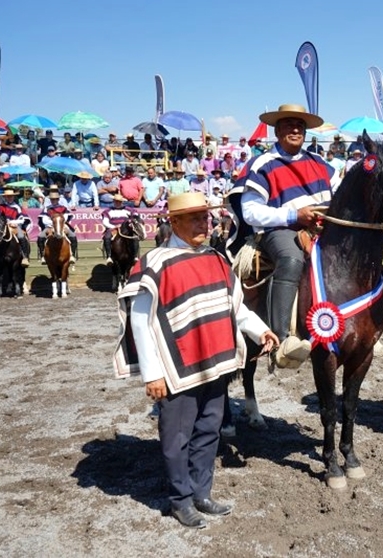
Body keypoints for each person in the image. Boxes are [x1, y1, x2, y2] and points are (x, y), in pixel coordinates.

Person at [113, 191, 278, 529]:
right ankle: (180, 500)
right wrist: (152, 374)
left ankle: (202, 492)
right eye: (195, 218)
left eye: (206, 217)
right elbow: (140, 322)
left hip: (216, 363)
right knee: (177, 436)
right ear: (173, 222)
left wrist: (261, 331)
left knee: (208, 431)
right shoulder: (154, 265)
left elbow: (237, 308)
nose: (205, 223)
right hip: (176, 370)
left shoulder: (217, 259)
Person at [227, 103, 334, 369]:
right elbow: (250, 212)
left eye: (300, 125)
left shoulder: (320, 163)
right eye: (288, 124)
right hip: (280, 231)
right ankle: (282, 340)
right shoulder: (262, 164)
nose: (295, 129)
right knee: (291, 259)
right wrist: (292, 216)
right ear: (276, 131)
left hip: (320, 229)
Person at [0, 188, 31, 267]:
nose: (9, 198)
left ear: (13, 197)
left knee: (21, 236)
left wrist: (14, 222)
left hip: (13, 226)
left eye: (11, 196)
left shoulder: (17, 207)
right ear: (5, 197)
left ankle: (25, 257)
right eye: (7, 196)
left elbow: (24, 219)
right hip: (2, 227)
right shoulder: (1, 207)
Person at [37, 191, 77, 263]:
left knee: (73, 236)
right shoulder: (47, 208)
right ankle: (43, 255)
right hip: (50, 227)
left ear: (58, 199)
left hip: (62, 226)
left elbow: (66, 217)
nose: (54, 200)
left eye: (55, 199)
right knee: (40, 237)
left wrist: (59, 223)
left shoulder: (63, 208)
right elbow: (44, 219)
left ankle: (72, 255)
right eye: (52, 199)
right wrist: (53, 224)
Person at [101, 194, 138, 264]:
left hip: (126, 229)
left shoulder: (129, 210)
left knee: (135, 237)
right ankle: (109, 256)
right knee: (107, 237)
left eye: (119, 201)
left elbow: (136, 215)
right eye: (116, 201)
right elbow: (105, 222)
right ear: (113, 201)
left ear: (122, 202)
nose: (117, 203)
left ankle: (135, 256)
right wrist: (114, 226)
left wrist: (131, 220)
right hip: (113, 228)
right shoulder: (108, 211)